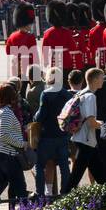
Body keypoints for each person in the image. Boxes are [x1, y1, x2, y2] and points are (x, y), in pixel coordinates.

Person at [0, 82, 29, 206]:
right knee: (20, 185)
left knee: (0, 184)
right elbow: (4, 134)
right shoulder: (5, 112)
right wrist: (22, 144)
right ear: (11, 97)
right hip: (7, 153)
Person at [31, 68, 71, 198]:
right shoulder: (67, 94)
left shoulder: (46, 94)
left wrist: (35, 116)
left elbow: (40, 116)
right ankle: (65, 193)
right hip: (63, 134)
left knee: (40, 165)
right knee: (64, 167)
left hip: (47, 135)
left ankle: (41, 194)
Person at [63, 68, 104, 192]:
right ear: (95, 80)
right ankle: (64, 199)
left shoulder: (81, 94)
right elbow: (91, 122)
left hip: (81, 138)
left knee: (100, 174)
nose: (103, 80)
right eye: (102, 78)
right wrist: (104, 125)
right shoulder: (91, 96)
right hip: (86, 140)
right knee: (76, 175)